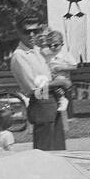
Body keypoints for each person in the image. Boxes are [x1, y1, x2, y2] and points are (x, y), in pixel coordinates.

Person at [10, 18, 65, 151]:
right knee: (45, 151)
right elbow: (34, 88)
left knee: (58, 149)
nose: (32, 35)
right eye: (27, 31)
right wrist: (59, 82)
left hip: (52, 101)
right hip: (41, 103)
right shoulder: (19, 56)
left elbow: (47, 73)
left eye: (35, 31)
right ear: (18, 32)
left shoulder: (37, 51)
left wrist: (56, 85)